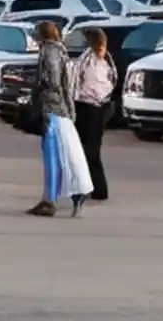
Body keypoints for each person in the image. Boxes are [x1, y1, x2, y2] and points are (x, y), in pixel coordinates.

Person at [27, 21, 94, 218]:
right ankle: (56, 197)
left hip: (53, 108)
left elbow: (53, 80)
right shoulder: (62, 51)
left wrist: (41, 93)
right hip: (63, 110)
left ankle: (51, 199)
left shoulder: (49, 51)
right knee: (68, 153)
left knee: (54, 156)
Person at [71, 27, 116, 201]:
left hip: (89, 107)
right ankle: (93, 186)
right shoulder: (100, 59)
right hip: (95, 106)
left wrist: (81, 96)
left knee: (89, 150)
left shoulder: (94, 60)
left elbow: (86, 83)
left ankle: (97, 188)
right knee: (89, 149)